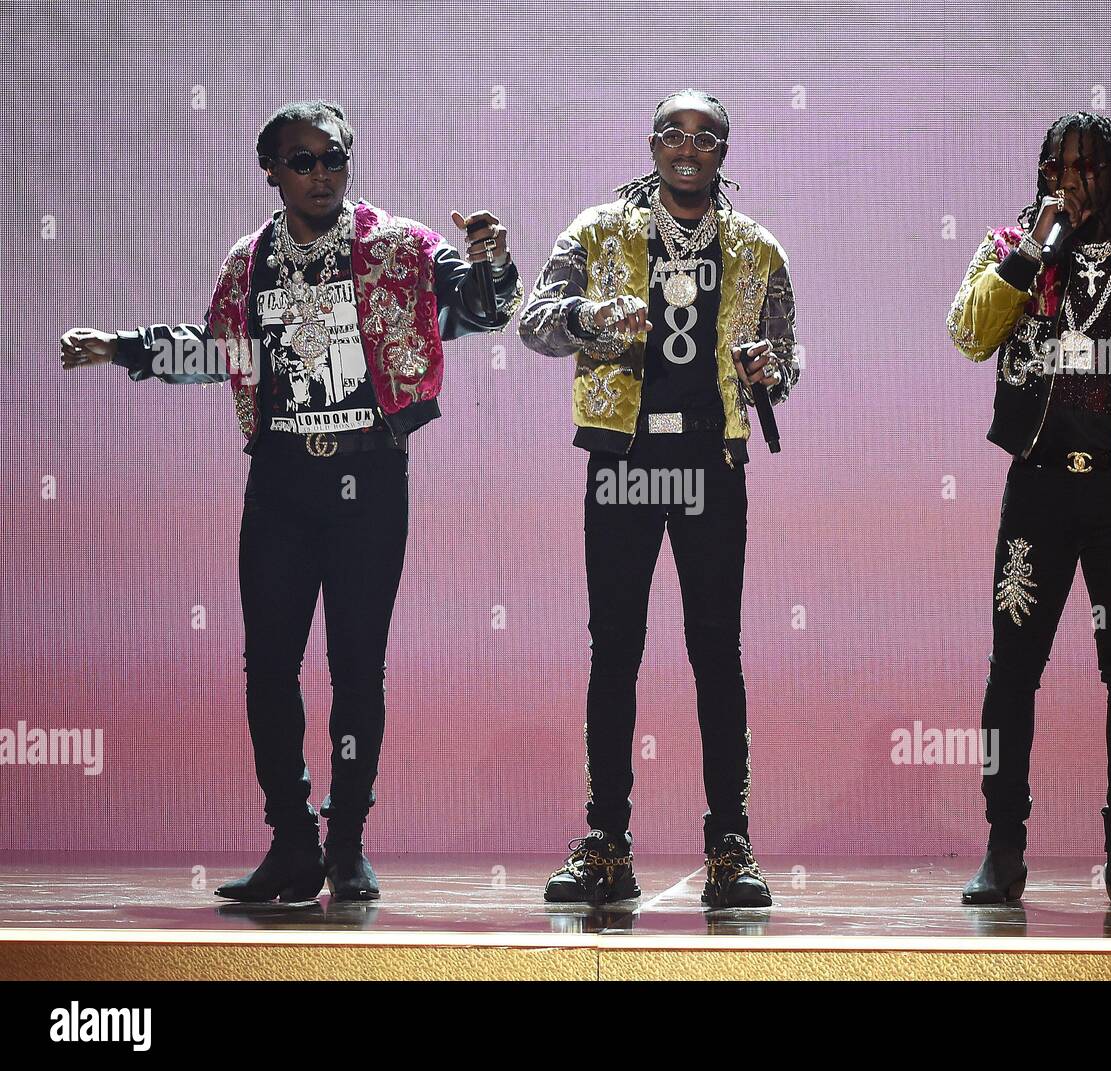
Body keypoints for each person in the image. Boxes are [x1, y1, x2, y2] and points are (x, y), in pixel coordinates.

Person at [59, 99, 522, 902]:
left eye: (334, 158)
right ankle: (292, 844)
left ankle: (346, 846)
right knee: (268, 667)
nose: (321, 174)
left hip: (368, 480)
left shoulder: (399, 248)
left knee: (355, 668)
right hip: (279, 480)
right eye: (302, 161)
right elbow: (220, 351)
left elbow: (480, 310)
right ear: (270, 170)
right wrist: (123, 347)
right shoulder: (248, 262)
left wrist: (489, 261)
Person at [518, 89, 799, 909]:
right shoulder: (600, 229)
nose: (687, 148)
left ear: (723, 152)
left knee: (717, 652)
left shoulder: (755, 248)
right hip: (625, 460)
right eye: (673, 134)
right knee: (616, 649)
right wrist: (588, 316)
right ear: (650, 144)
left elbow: (787, 356)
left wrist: (767, 372)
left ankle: (730, 846)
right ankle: (607, 842)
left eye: (704, 137)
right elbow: (534, 321)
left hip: (712, 463)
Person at [947, 112, 1111, 907]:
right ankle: (1003, 850)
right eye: (1060, 166)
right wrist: (1033, 251)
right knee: (1011, 671)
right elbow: (968, 333)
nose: (1073, 180)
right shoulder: (1013, 251)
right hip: (1038, 488)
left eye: (1089, 166)